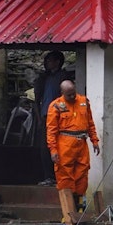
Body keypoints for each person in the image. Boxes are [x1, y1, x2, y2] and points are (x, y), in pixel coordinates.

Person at [46, 79, 100, 216]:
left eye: (73, 93)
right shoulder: (56, 106)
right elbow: (51, 130)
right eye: (69, 95)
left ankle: (80, 208)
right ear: (62, 93)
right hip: (65, 144)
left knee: (82, 175)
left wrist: (94, 141)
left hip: (81, 143)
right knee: (65, 177)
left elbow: (90, 123)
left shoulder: (83, 102)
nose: (72, 97)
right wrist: (53, 150)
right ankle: (68, 211)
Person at [33, 51, 71, 184]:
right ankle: (48, 176)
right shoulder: (44, 78)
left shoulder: (63, 77)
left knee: (59, 147)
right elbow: (37, 99)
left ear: (57, 62)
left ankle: (58, 175)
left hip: (59, 117)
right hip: (45, 116)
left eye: (51, 60)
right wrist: (39, 118)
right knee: (45, 147)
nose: (48, 63)